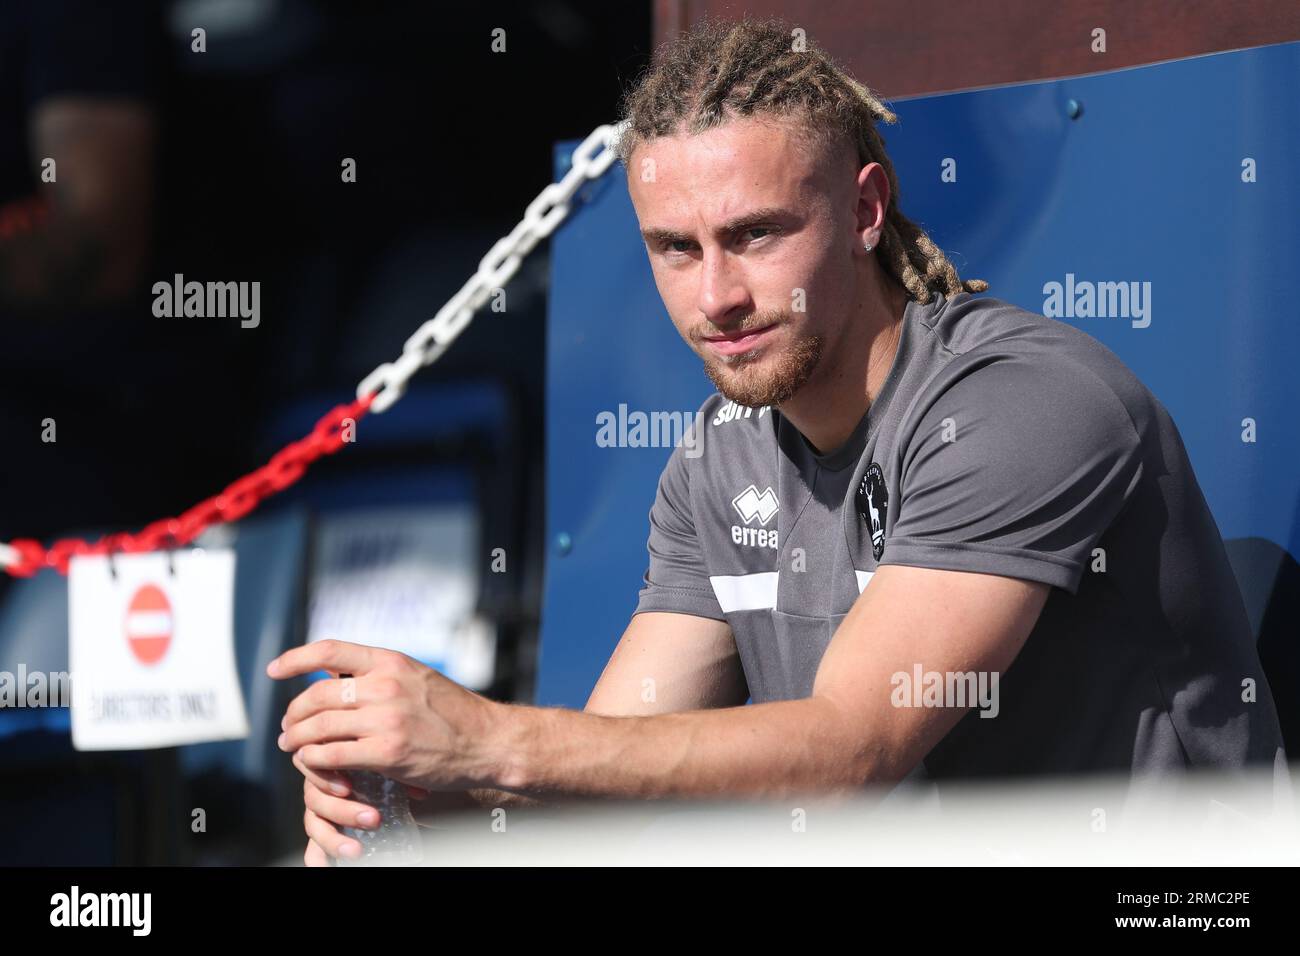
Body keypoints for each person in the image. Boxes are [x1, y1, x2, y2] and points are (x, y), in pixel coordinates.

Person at [268, 16, 1286, 866]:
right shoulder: (719, 453)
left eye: (754, 234)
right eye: (675, 249)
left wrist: (484, 733)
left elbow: (849, 751)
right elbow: (609, 773)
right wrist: (409, 792)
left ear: (862, 210)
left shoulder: (1022, 400)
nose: (716, 296)